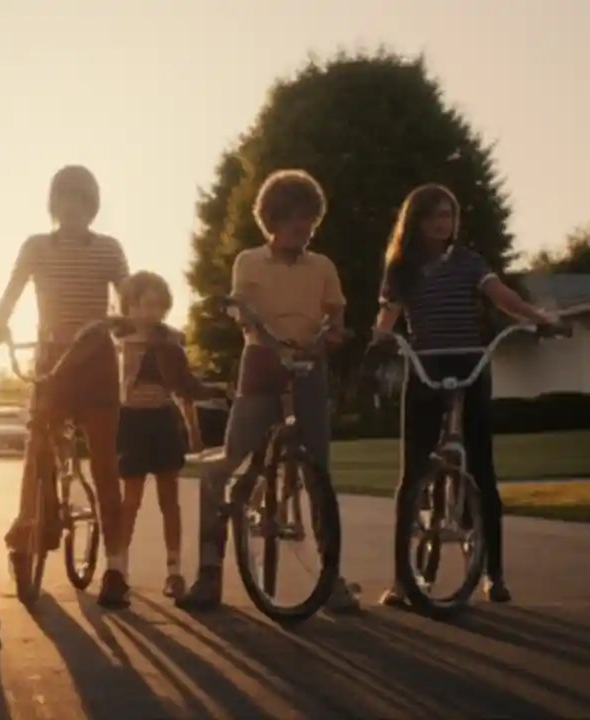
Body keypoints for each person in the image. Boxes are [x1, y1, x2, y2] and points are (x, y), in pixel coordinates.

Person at [370, 183, 565, 606]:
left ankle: (493, 574)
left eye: (450, 216)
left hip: (471, 365)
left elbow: (504, 298)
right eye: (436, 216)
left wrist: (539, 318)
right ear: (417, 220)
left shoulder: (469, 262)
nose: (444, 224)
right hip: (425, 367)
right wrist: (381, 336)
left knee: (483, 470)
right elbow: (388, 315)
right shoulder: (401, 267)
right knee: (412, 474)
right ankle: (404, 580)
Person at [177, 169, 361, 612]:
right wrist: (252, 324)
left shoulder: (322, 267)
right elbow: (242, 309)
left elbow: (335, 316)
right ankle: (208, 574)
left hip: (307, 368)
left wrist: (332, 335)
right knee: (225, 466)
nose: (305, 227)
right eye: (297, 217)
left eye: (311, 219)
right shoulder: (249, 262)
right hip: (262, 365)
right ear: (274, 219)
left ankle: (329, 580)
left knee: (318, 473)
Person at [0, 164, 132, 609]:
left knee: (107, 465)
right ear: (54, 205)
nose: (74, 208)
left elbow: (126, 293)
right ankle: (29, 530)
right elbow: (12, 290)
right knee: (39, 452)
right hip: (52, 359)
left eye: (83, 200)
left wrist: (128, 315)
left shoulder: (108, 249)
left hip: (95, 359)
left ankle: (116, 568)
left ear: (92, 206)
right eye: (66, 199)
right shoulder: (36, 246)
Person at [110, 271, 219, 599]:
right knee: (130, 500)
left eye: (159, 305)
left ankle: (173, 570)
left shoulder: (172, 339)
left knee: (169, 499)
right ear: (131, 305)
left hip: (162, 419)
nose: (152, 312)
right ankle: (119, 569)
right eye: (145, 304)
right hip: (130, 420)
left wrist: (193, 430)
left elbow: (183, 389)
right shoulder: (119, 338)